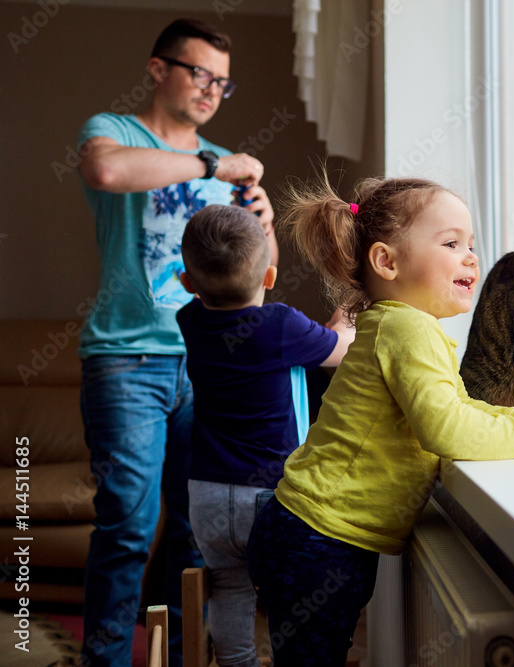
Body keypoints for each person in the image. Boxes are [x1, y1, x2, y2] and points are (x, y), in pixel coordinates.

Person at [245, 174, 514, 665]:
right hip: (316, 538)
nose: (470, 257)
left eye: (471, 244)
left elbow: (456, 406)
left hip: (318, 535)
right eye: (451, 243)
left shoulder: (405, 325)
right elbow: (446, 429)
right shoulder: (406, 328)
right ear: (387, 261)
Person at [75, 19, 276, 667]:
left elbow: (257, 276)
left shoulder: (225, 166)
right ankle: (103, 660)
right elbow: (106, 170)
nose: (213, 90)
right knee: (128, 528)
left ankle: (190, 659)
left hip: (207, 363)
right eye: (200, 74)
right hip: (125, 358)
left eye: (223, 80)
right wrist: (214, 165)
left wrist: (264, 225)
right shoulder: (116, 132)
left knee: (199, 534)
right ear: (159, 69)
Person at [175, 204, 353, 667]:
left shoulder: (188, 322)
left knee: (229, 586)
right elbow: (340, 351)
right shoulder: (281, 325)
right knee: (284, 590)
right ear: (269, 276)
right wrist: (346, 319)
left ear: (188, 283)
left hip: (206, 492)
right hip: (270, 494)